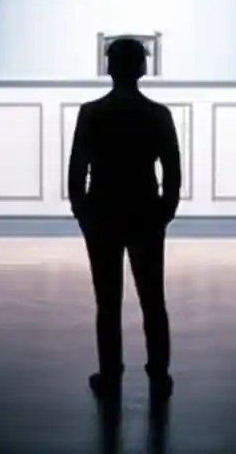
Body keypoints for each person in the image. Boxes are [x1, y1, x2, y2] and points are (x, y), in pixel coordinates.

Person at [68, 38, 182, 400]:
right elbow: (172, 170)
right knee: (153, 297)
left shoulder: (91, 113)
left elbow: (77, 170)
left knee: (107, 301)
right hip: (145, 210)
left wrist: (82, 212)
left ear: (109, 67)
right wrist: (165, 211)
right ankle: (159, 370)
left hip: (102, 210)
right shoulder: (158, 114)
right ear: (142, 68)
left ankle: (109, 371)